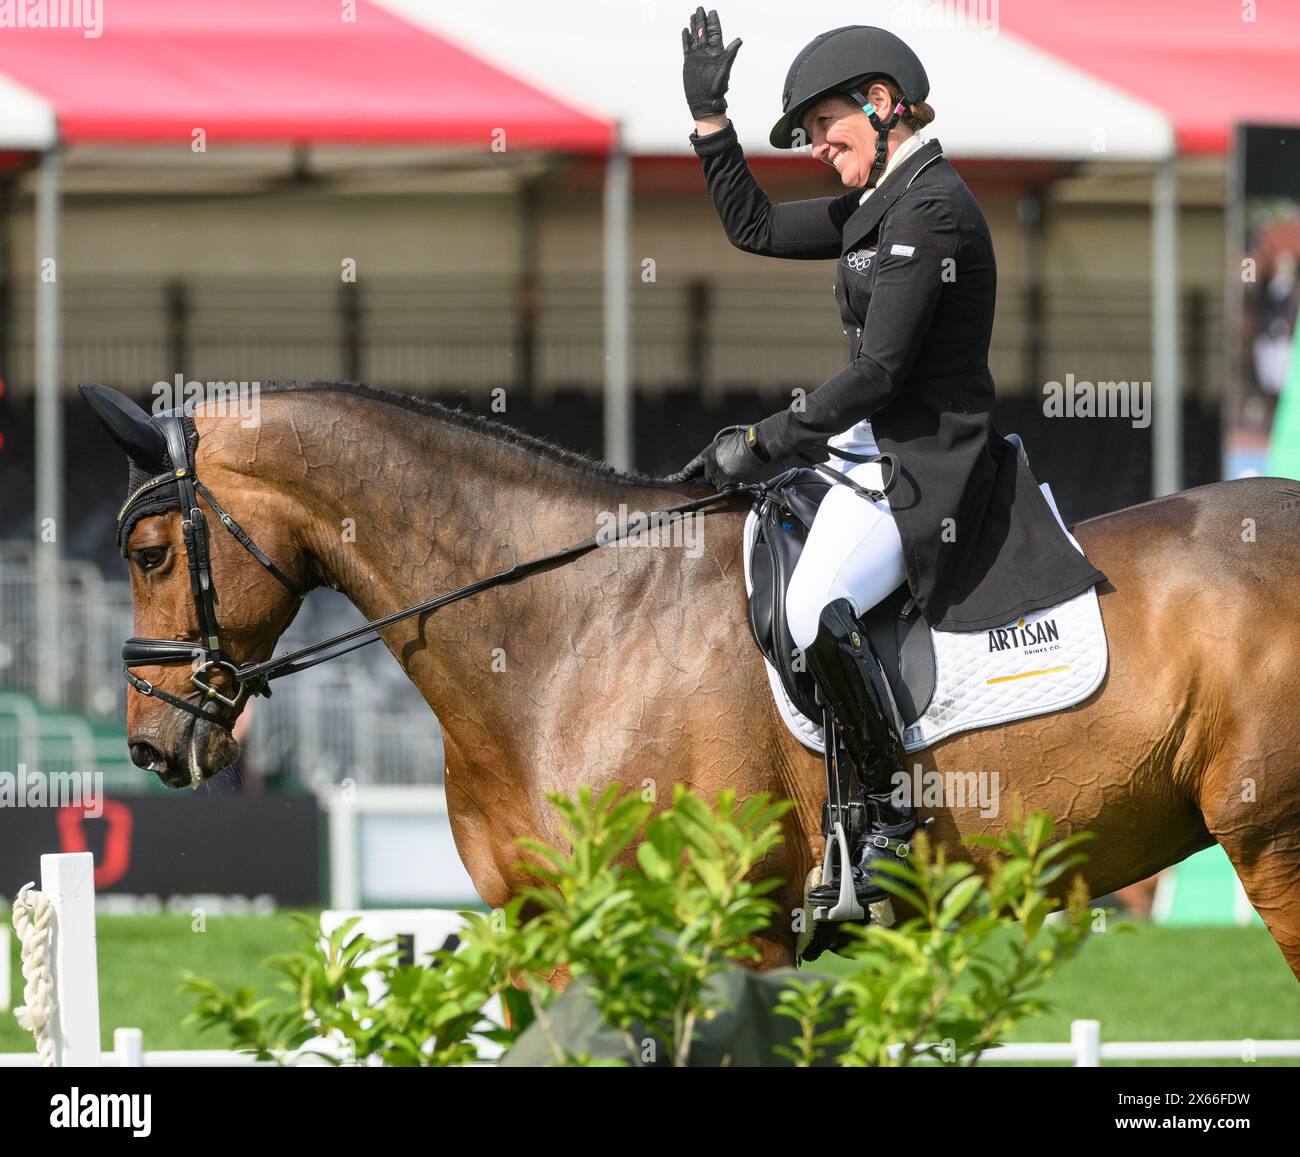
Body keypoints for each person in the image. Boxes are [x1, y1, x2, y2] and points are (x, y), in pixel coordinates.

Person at [676, 10, 1107, 906]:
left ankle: (894, 823)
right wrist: (711, 126)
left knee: (812, 605)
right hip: (872, 449)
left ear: (881, 105)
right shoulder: (879, 205)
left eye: (824, 130)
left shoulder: (934, 210)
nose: (817, 151)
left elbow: (877, 374)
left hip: (929, 464)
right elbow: (752, 226)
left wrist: (764, 442)